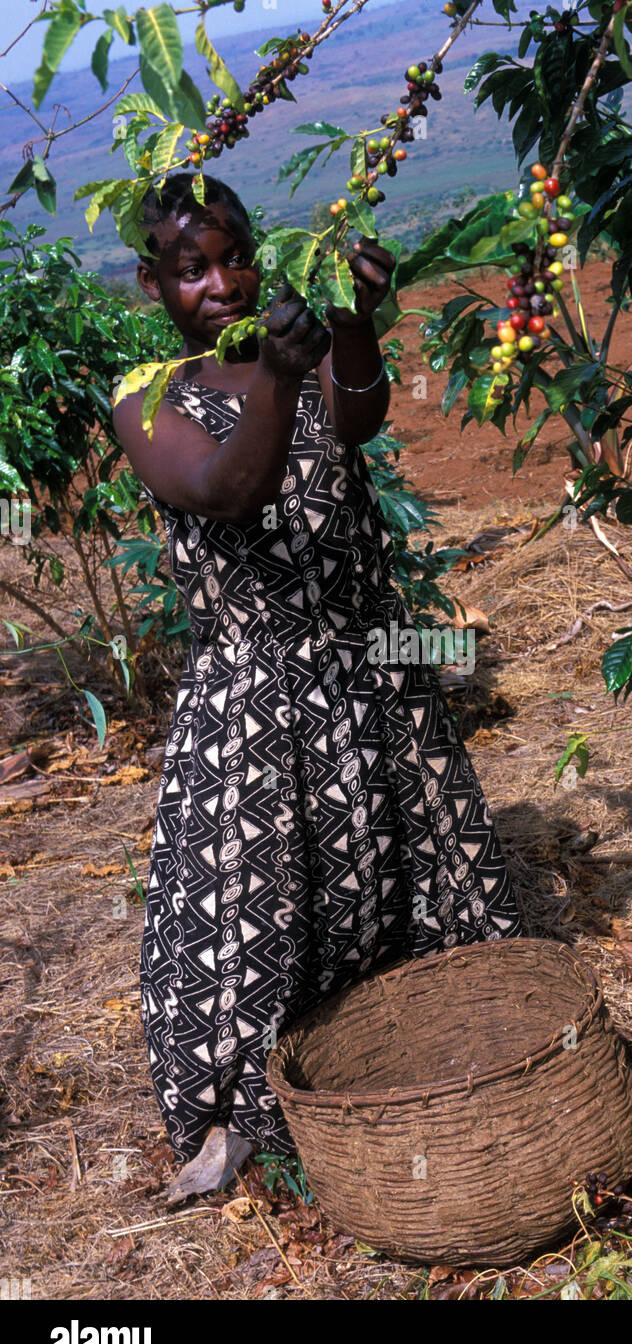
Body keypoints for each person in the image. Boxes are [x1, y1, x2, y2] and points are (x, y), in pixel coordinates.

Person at [113, 172, 524, 1200]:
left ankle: (436, 1062)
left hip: (365, 667)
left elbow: (359, 417)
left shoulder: (287, 349)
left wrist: (355, 318)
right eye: (187, 269)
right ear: (150, 283)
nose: (217, 283)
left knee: (407, 883)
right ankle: (237, 1119)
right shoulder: (147, 394)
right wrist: (284, 376)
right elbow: (225, 488)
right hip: (254, 696)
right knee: (245, 912)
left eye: (232, 255)